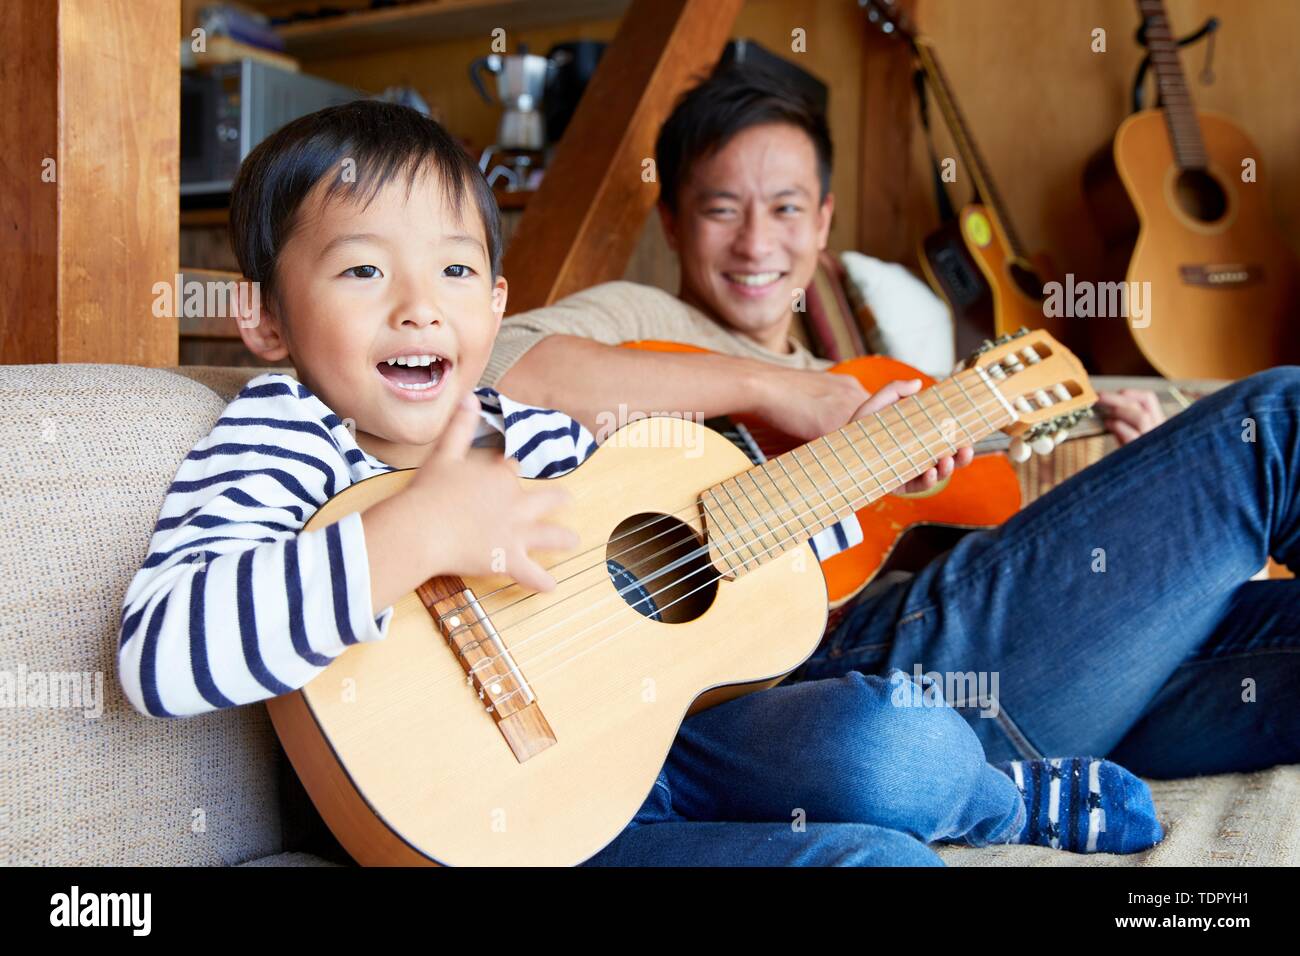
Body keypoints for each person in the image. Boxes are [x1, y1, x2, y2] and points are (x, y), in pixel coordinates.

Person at [116, 101, 1162, 866]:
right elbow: (159, 654)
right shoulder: (281, 431)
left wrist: (875, 466)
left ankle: (997, 797)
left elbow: (695, 573)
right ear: (262, 319)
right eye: (360, 270)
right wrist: (414, 533)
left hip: (669, 744)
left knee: (892, 740)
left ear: (497, 299)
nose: (418, 306)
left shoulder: (522, 428)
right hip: (515, 824)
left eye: (453, 270)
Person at [484, 63, 1300, 796]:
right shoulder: (646, 318)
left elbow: (997, 549)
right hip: (845, 683)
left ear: (824, 219)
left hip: (1015, 676)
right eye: (720, 209)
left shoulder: (876, 382)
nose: (757, 241)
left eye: (786, 209)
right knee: (1281, 421)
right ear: (671, 224)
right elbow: (497, 369)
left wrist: (1132, 494)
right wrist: (784, 392)